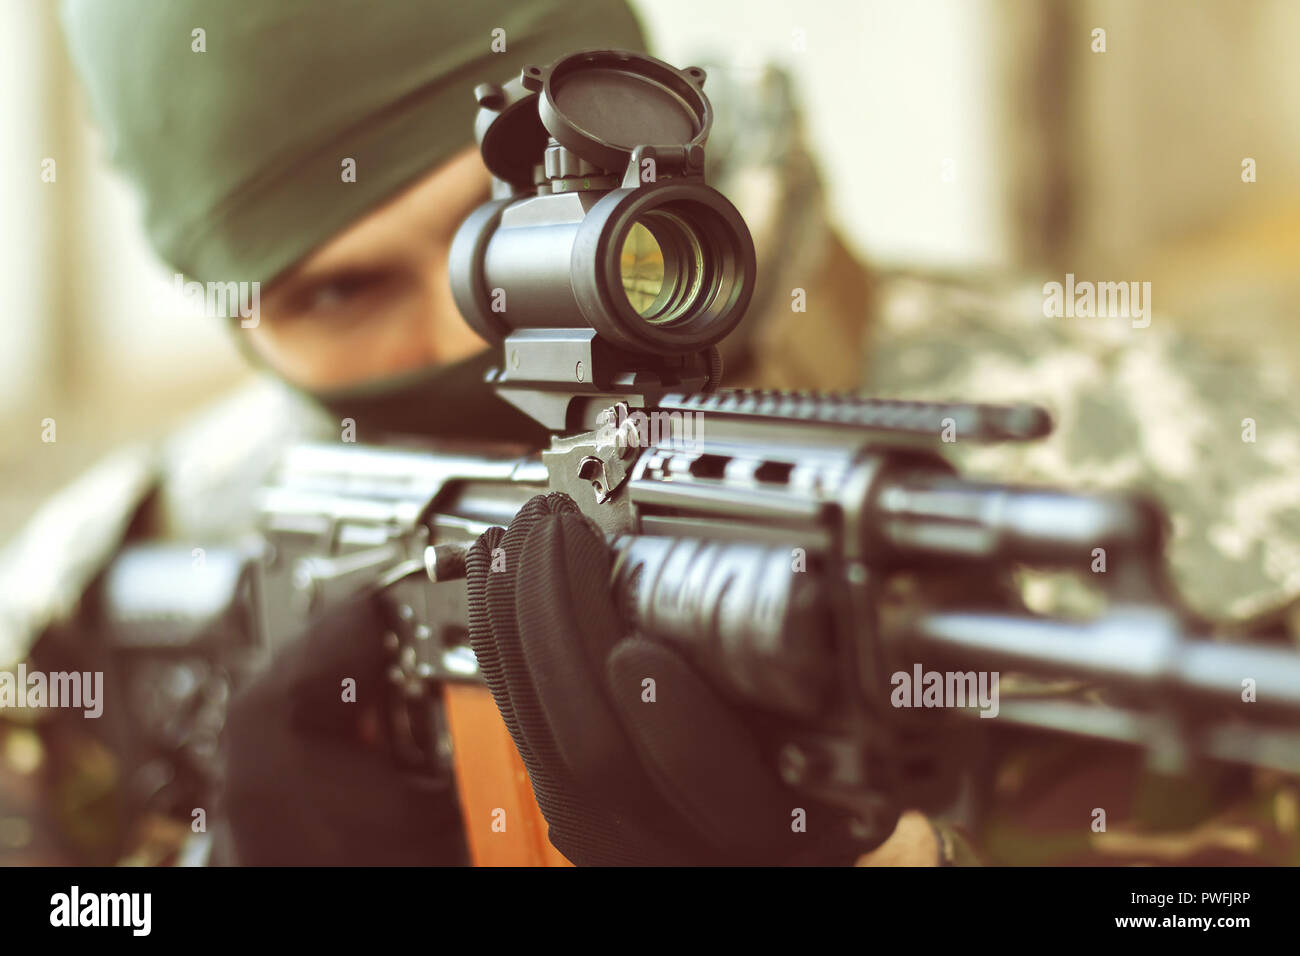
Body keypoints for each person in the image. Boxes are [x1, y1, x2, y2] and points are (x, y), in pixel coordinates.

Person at [1, 0, 1294, 865]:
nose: (474, 330)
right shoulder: (103, 578)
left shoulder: (1236, 483)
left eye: (517, 222)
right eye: (338, 292)